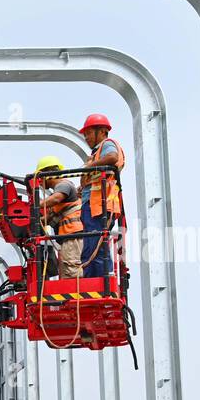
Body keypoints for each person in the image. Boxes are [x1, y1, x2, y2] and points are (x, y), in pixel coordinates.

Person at [78, 113, 125, 278]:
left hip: (99, 205)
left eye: (89, 133)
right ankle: (93, 280)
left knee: (95, 244)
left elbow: (113, 157)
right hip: (92, 204)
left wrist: (88, 167)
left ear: (102, 131)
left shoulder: (107, 145)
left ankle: (100, 280)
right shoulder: (96, 153)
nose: (86, 137)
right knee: (91, 244)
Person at [35, 155, 83, 280]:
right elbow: (49, 218)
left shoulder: (63, 185)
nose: (39, 181)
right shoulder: (57, 192)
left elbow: (56, 198)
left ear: (48, 173)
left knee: (72, 269)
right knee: (67, 272)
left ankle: (76, 292)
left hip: (73, 234)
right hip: (68, 236)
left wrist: (34, 205)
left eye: (40, 177)